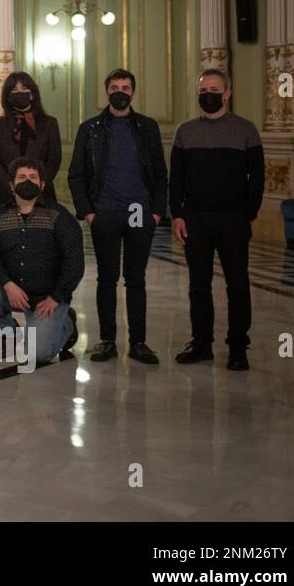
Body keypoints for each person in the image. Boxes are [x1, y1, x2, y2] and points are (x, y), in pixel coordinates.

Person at [67, 68, 167, 365]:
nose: (120, 91)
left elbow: (160, 174)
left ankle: (138, 342)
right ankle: (107, 340)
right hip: (105, 212)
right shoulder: (91, 128)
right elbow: (77, 174)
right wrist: (88, 212)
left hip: (140, 212)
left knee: (135, 279)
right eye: (114, 87)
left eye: (125, 86)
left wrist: (157, 213)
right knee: (107, 278)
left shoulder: (147, 127)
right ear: (106, 91)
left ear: (133, 92)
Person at [170, 69, 263, 371]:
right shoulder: (185, 131)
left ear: (226, 94)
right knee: (199, 285)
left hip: (233, 219)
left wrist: (247, 214)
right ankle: (201, 343)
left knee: (237, 284)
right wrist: (177, 214)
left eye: (213, 89)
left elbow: (257, 177)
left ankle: (238, 347)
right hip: (195, 219)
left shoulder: (246, 130)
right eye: (202, 90)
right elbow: (177, 178)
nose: (207, 95)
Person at [0, 157, 81, 366]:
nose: (27, 181)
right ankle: (8, 331)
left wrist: (56, 298)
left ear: (42, 184)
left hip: (47, 300)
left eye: (33, 177)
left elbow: (74, 262)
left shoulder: (60, 216)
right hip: (14, 292)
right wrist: (8, 285)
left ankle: (67, 325)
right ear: (12, 185)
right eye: (21, 177)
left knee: (37, 355)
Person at [0, 72, 61, 209]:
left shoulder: (49, 123)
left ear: (32, 94)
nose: (19, 94)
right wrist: (12, 188)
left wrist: (36, 185)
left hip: (41, 195)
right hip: (4, 196)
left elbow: (54, 160)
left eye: (24, 90)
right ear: (8, 96)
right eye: (14, 91)